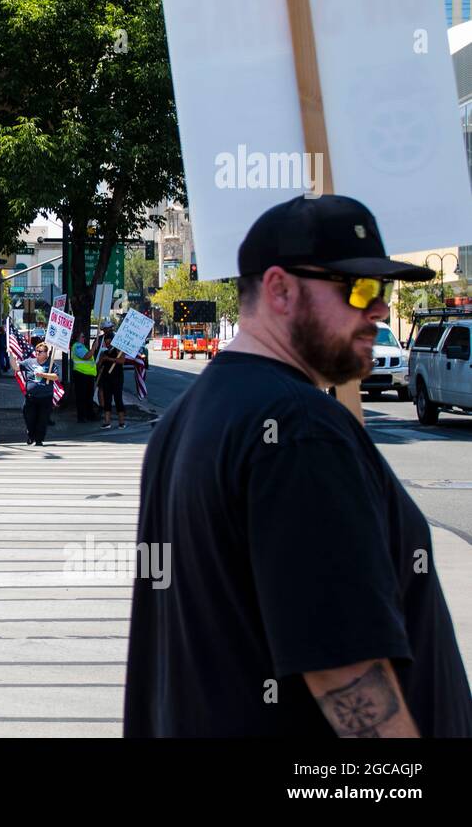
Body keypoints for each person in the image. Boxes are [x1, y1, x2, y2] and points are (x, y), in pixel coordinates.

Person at [126, 195, 471, 737]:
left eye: (383, 292)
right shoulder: (299, 429)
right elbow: (344, 665)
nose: (378, 310)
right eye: (358, 289)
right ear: (281, 289)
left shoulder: (184, 419)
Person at [18, 337, 59, 445]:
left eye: (40, 351)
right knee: (29, 418)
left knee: (43, 419)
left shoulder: (50, 364)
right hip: (31, 397)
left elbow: (55, 377)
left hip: (45, 396)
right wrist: (11, 357)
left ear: (46, 353)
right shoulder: (29, 362)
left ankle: (39, 439)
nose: (37, 353)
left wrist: (42, 375)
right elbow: (17, 367)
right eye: (36, 350)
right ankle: (31, 435)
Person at [94, 320, 128, 429]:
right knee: (107, 399)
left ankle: (121, 422)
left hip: (117, 377)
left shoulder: (118, 350)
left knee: (118, 399)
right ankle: (107, 421)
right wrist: (101, 361)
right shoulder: (104, 352)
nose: (107, 343)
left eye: (109, 342)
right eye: (106, 342)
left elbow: (122, 361)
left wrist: (109, 359)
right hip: (106, 377)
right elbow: (98, 365)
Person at [70, 337, 98, 422]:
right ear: (77, 337)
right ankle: (82, 416)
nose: (83, 338)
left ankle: (89, 414)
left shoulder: (81, 346)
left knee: (88, 396)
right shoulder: (77, 346)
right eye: (82, 336)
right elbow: (87, 356)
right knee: (82, 396)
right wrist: (94, 347)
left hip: (87, 374)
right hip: (81, 374)